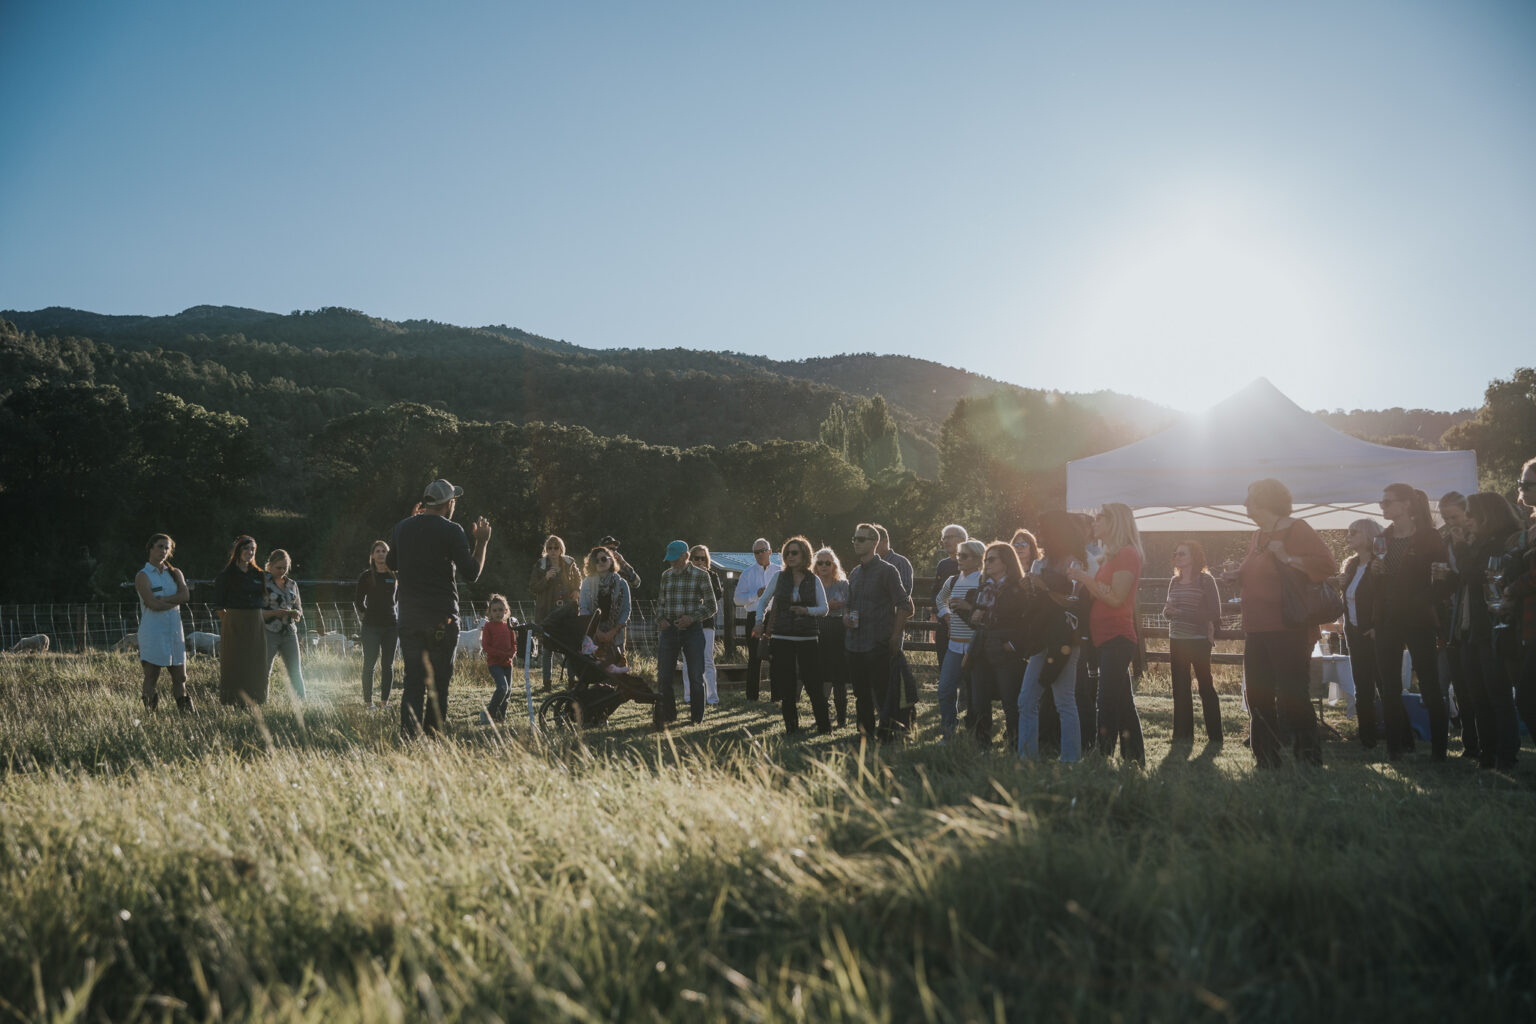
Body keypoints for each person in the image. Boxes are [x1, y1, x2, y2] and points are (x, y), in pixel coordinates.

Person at [1228, 479, 1334, 768]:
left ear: (1265, 501)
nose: (1245, 505)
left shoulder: (1296, 529)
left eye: (1249, 499)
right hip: (1257, 628)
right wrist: (1237, 574)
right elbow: (1257, 569)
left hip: (1288, 627)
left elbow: (1327, 565)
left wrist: (1287, 556)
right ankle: (1266, 758)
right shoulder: (1259, 535)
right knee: (1257, 695)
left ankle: (1308, 758)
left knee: (1292, 695)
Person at [389, 479, 491, 738]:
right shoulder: (452, 530)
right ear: (449, 504)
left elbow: (391, 562)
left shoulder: (402, 527)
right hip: (442, 618)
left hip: (410, 617)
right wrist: (482, 542)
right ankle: (433, 736)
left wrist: (409, 528)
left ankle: (409, 737)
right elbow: (472, 573)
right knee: (438, 684)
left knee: (413, 682)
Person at [1373, 482, 1456, 761]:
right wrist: (1375, 572)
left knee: (1430, 684)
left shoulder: (1429, 537)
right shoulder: (1383, 537)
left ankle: (1438, 752)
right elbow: (1379, 583)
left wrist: (1421, 601)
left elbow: (1444, 582)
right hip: (1387, 619)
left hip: (1418, 619)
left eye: (1387, 501)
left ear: (1407, 504)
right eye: (1382, 502)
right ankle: (1396, 748)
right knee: (1389, 686)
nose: (1382, 506)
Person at [1069, 503, 1146, 766]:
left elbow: (1115, 599)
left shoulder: (1127, 554)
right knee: (1122, 701)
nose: (1094, 524)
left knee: (1106, 699)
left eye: (1099, 519)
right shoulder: (1110, 556)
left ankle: (1101, 757)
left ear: (1115, 522)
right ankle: (1135, 758)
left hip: (1118, 637)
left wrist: (1085, 578)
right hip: (1104, 638)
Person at [1456, 492, 1524, 769]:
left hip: (1493, 625)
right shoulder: (1484, 541)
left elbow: (1473, 575)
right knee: (1478, 694)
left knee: (1496, 694)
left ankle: (1505, 754)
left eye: (1470, 513)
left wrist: (1460, 548)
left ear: (1487, 514)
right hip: (1475, 627)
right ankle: (1488, 752)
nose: (1466, 518)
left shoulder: (1502, 541)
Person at [1018, 513, 1089, 762]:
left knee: (1064, 701)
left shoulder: (1074, 563)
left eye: (1043, 531)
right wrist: (1030, 588)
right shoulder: (1041, 562)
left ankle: (1071, 759)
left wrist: (1044, 587)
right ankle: (1027, 757)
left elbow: (1074, 604)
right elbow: (1037, 601)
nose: (1039, 536)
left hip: (1064, 639)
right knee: (1026, 699)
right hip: (1040, 637)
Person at [844, 524, 914, 740]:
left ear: (874, 543)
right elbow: (850, 604)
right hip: (855, 643)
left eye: (862, 539)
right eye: (855, 538)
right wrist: (846, 616)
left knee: (884, 692)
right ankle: (865, 733)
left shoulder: (888, 571)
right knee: (860, 693)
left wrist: (895, 636)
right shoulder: (854, 573)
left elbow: (905, 605)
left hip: (878, 642)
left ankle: (888, 733)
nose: (857, 542)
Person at [756, 536, 831, 734]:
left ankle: (824, 728)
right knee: (787, 687)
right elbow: (763, 601)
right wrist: (758, 623)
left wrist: (806, 611)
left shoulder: (813, 579)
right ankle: (791, 729)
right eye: (787, 553)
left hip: (807, 638)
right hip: (782, 638)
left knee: (814, 684)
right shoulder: (779, 578)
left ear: (804, 555)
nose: (790, 556)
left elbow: (824, 609)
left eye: (795, 552)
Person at [963, 541, 1031, 747]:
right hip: (982, 647)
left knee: (1010, 701)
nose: (987, 563)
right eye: (986, 559)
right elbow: (975, 621)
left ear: (1006, 562)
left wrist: (1012, 644)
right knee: (979, 700)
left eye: (992, 559)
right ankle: (982, 744)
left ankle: (1015, 744)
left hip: (1005, 649)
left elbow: (1026, 622)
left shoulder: (1019, 588)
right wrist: (974, 616)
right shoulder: (984, 587)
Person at [1163, 539, 1223, 743]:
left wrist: (1180, 612)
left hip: (1198, 641)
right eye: (1176, 553)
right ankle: (1182, 735)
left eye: (1182, 554)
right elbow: (1168, 613)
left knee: (1205, 687)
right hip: (1176, 639)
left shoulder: (1206, 581)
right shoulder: (1174, 581)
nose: (1177, 557)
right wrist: (1169, 612)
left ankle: (1215, 736)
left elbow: (1215, 612)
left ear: (1194, 557)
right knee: (1179, 688)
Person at [654, 540, 717, 727]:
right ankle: (669, 716)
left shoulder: (701, 575)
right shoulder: (666, 576)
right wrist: (661, 620)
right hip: (669, 631)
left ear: (686, 557)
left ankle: (696, 718)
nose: (672, 563)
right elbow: (660, 603)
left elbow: (712, 606)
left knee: (696, 676)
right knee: (664, 676)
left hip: (692, 630)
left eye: (676, 559)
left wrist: (692, 618)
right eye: (670, 560)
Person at [1340, 519, 1388, 749]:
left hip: (1374, 632)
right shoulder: (1351, 565)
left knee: (1386, 685)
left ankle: (1400, 735)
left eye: (1354, 532)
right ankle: (1367, 737)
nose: (1349, 536)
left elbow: (1387, 598)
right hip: (1353, 632)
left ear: (1368, 536)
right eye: (1348, 532)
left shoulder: (1380, 565)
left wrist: (1379, 626)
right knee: (1362, 686)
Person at [135, 533, 192, 713]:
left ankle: (185, 714)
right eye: (160, 546)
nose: (164, 551)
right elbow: (152, 603)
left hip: (175, 631)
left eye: (167, 548)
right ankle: (151, 713)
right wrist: (174, 601)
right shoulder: (143, 576)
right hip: (153, 631)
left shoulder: (175, 573)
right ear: (150, 548)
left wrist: (164, 599)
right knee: (151, 675)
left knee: (180, 676)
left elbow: (186, 596)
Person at [934, 540, 984, 739]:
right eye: (958, 555)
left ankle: (977, 734)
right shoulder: (952, 580)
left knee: (976, 695)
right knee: (945, 689)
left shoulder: (983, 580)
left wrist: (966, 606)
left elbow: (989, 610)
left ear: (977, 558)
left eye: (964, 556)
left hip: (976, 647)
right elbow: (940, 600)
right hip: (954, 645)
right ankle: (948, 730)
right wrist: (945, 615)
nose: (958, 559)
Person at [872, 524, 918, 738]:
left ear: (882, 541)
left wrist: (896, 633)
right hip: (871, 629)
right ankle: (882, 714)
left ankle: (901, 719)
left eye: (872, 541)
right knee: (876, 674)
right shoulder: (869, 564)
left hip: (891, 626)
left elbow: (903, 600)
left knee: (894, 676)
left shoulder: (900, 563)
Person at [213, 535, 267, 705]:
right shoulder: (226, 575)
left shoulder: (259, 574)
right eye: (246, 549)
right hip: (234, 619)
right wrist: (230, 622)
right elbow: (219, 605)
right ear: (238, 551)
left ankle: (256, 699)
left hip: (255, 619)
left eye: (252, 549)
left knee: (256, 658)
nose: (250, 552)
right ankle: (233, 699)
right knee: (234, 659)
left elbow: (264, 598)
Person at [1505, 457, 1536, 745]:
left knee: (1526, 696)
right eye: (1521, 484)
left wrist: (1511, 588)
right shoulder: (1531, 528)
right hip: (1527, 624)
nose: (1521, 490)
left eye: (1527, 484)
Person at [529, 535, 582, 691]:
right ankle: (547, 684)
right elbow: (533, 587)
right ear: (546, 549)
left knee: (570, 648)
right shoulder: (540, 565)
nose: (553, 550)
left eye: (556, 547)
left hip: (567, 611)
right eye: (550, 548)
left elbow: (579, 579)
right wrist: (546, 578)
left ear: (561, 549)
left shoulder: (569, 562)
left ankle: (572, 682)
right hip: (548, 612)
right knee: (547, 649)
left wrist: (577, 591)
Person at [735, 538, 780, 701]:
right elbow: (737, 599)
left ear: (770, 551)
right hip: (754, 618)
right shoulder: (747, 573)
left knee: (776, 657)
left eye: (763, 550)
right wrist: (756, 595)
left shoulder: (779, 571)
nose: (760, 554)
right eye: (756, 552)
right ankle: (752, 697)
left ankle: (777, 696)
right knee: (754, 657)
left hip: (774, 616)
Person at [355, 540, 398, 708]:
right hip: (371, 627)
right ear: (372, 555)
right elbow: (358, 601)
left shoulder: (394, 575)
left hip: (391, 626)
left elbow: (399, 598)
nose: (381, 554)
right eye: (378, 551)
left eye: (384, 551)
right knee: (369, 664)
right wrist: (369, 615)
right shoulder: (366, 576)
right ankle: (368, 703)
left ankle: (384, 702)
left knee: (388, 664)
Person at [261, 549, 306, 700]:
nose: (281, 571)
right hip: (268, 631)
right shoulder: (262, 583)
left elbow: (299, 609)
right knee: (264, 670)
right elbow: (255, 612)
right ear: (270, 566)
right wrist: (274, 613)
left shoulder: (292, 584)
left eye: (285, 568)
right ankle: (261, 702)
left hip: (289, 632)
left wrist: (296, 614)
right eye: (278, 568)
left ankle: (302, 702)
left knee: (295, 670)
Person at [813, 546, 851, 727]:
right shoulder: (812, 585)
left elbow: (849, 606)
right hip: (818, 631)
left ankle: (842, 717)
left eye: (827, 562)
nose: (823, 566)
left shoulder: (843, 584)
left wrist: (835, 609)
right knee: (820, 676)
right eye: (820, 563)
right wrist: (829, 606)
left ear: (834, 564)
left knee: (839, 677)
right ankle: (822, 715)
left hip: (839, 631)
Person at [685, 545, 723, 706]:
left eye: (703, 558)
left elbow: (717, 595)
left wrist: (704, 575)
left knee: (707, 660)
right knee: (688, 660)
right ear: (690, 559)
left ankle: (712, 697)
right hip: (688, 622)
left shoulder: (712, 575)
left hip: (707, 623)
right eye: (696, 558)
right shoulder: (685, 576)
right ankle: (689, 696)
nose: (700, 561)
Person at [579, 545, 633, 655]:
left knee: (615, 669)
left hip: (616, 635)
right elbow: (583, 608)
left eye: (603, 559)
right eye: (596, 560)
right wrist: (597, 632)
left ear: (611, 560)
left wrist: (612, 633)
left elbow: (626, 610)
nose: (600, 562)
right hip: (592, 635)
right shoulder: (586, 583)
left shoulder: (622, 583)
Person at [479, 594, 517, 724]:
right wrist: (501, 654)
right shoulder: (489, 627)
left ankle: (501, 717)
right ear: (490, 612)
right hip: (495, 663)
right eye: (494, 610)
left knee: (507, 692)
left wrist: (511, 654)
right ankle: (489, 714)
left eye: (501, 610)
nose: (498, 613)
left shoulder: (508, 626)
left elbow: (514, 644)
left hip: (508, 663)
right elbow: (486, 646)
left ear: (506, 611)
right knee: (502, 687)